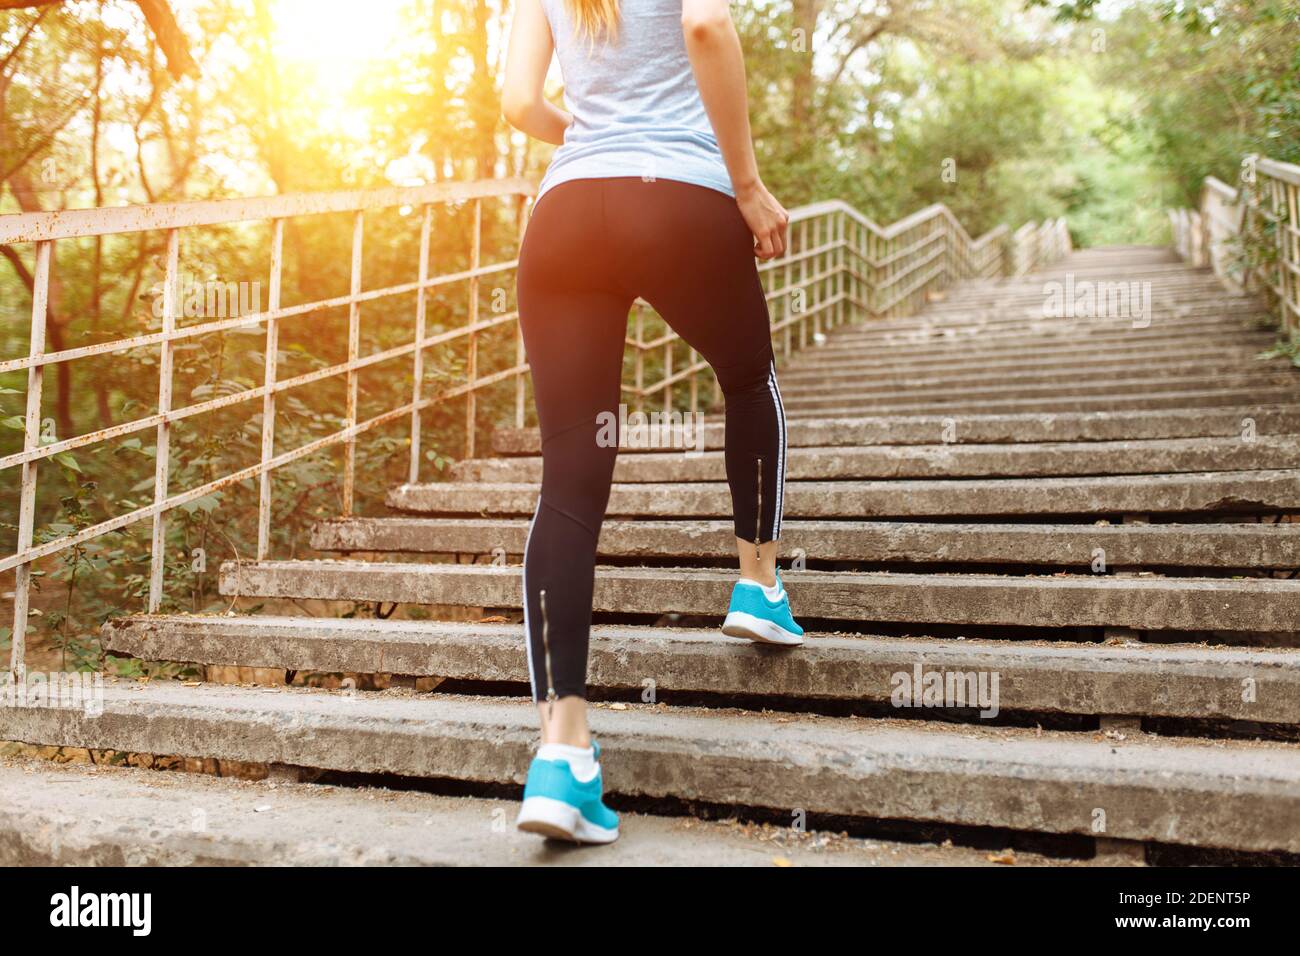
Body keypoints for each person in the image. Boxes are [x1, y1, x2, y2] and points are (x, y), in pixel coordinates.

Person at [502, 0, 802, 845]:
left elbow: (518, 101)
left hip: (566, 215)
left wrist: (590, 138)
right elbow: (706, 26)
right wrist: (746, 185)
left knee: (568, 480)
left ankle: (563, 754)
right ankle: (757, 583)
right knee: (749, 379)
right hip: (680, 198)